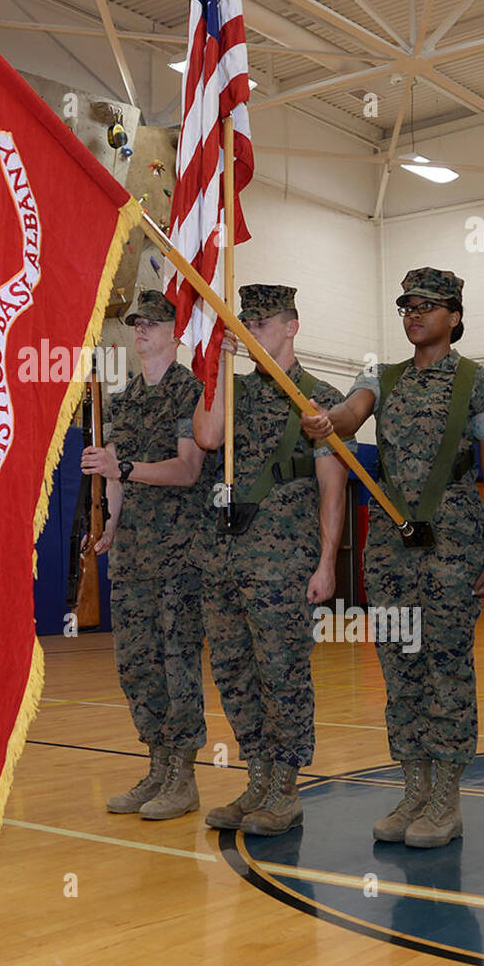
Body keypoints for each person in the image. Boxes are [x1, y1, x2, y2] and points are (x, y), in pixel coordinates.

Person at [303, 268, 484, 848]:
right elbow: (349, 415)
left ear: (455, 316)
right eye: (407, 306)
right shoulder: (381, 376)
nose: (414, 314)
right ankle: (413, 788)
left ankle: (446, 797)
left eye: (428, 305)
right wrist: (327, 422)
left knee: (446, 668)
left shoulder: (481, 384)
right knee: (399, 668)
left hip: (453, 546)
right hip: (392, 553)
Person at [190, 283, 349, 835]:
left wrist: (328, 562)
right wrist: (218, 369)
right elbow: (208, 437)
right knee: (234, 671)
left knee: (282, 672)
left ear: (292, 326)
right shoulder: (231, 390)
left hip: (284, 561)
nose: (252, 331)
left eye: (262, 322)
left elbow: (333, 487)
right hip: (226, 556)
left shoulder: (319, 400)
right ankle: (256, 777)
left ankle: (285, 787)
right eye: (246, 322)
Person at [81, 290, 211, 820]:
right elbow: (115, 476)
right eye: (137, 324)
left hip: (180, 554)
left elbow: (187, 471)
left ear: (174, 333)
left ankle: (183, 778)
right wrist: (111, 523)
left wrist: (125, 469)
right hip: (133, 551)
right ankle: (156, 768)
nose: (141, 332)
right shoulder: (124, 398)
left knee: (178, 662)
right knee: (136, 663)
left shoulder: (191, 392)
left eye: (152, 325)